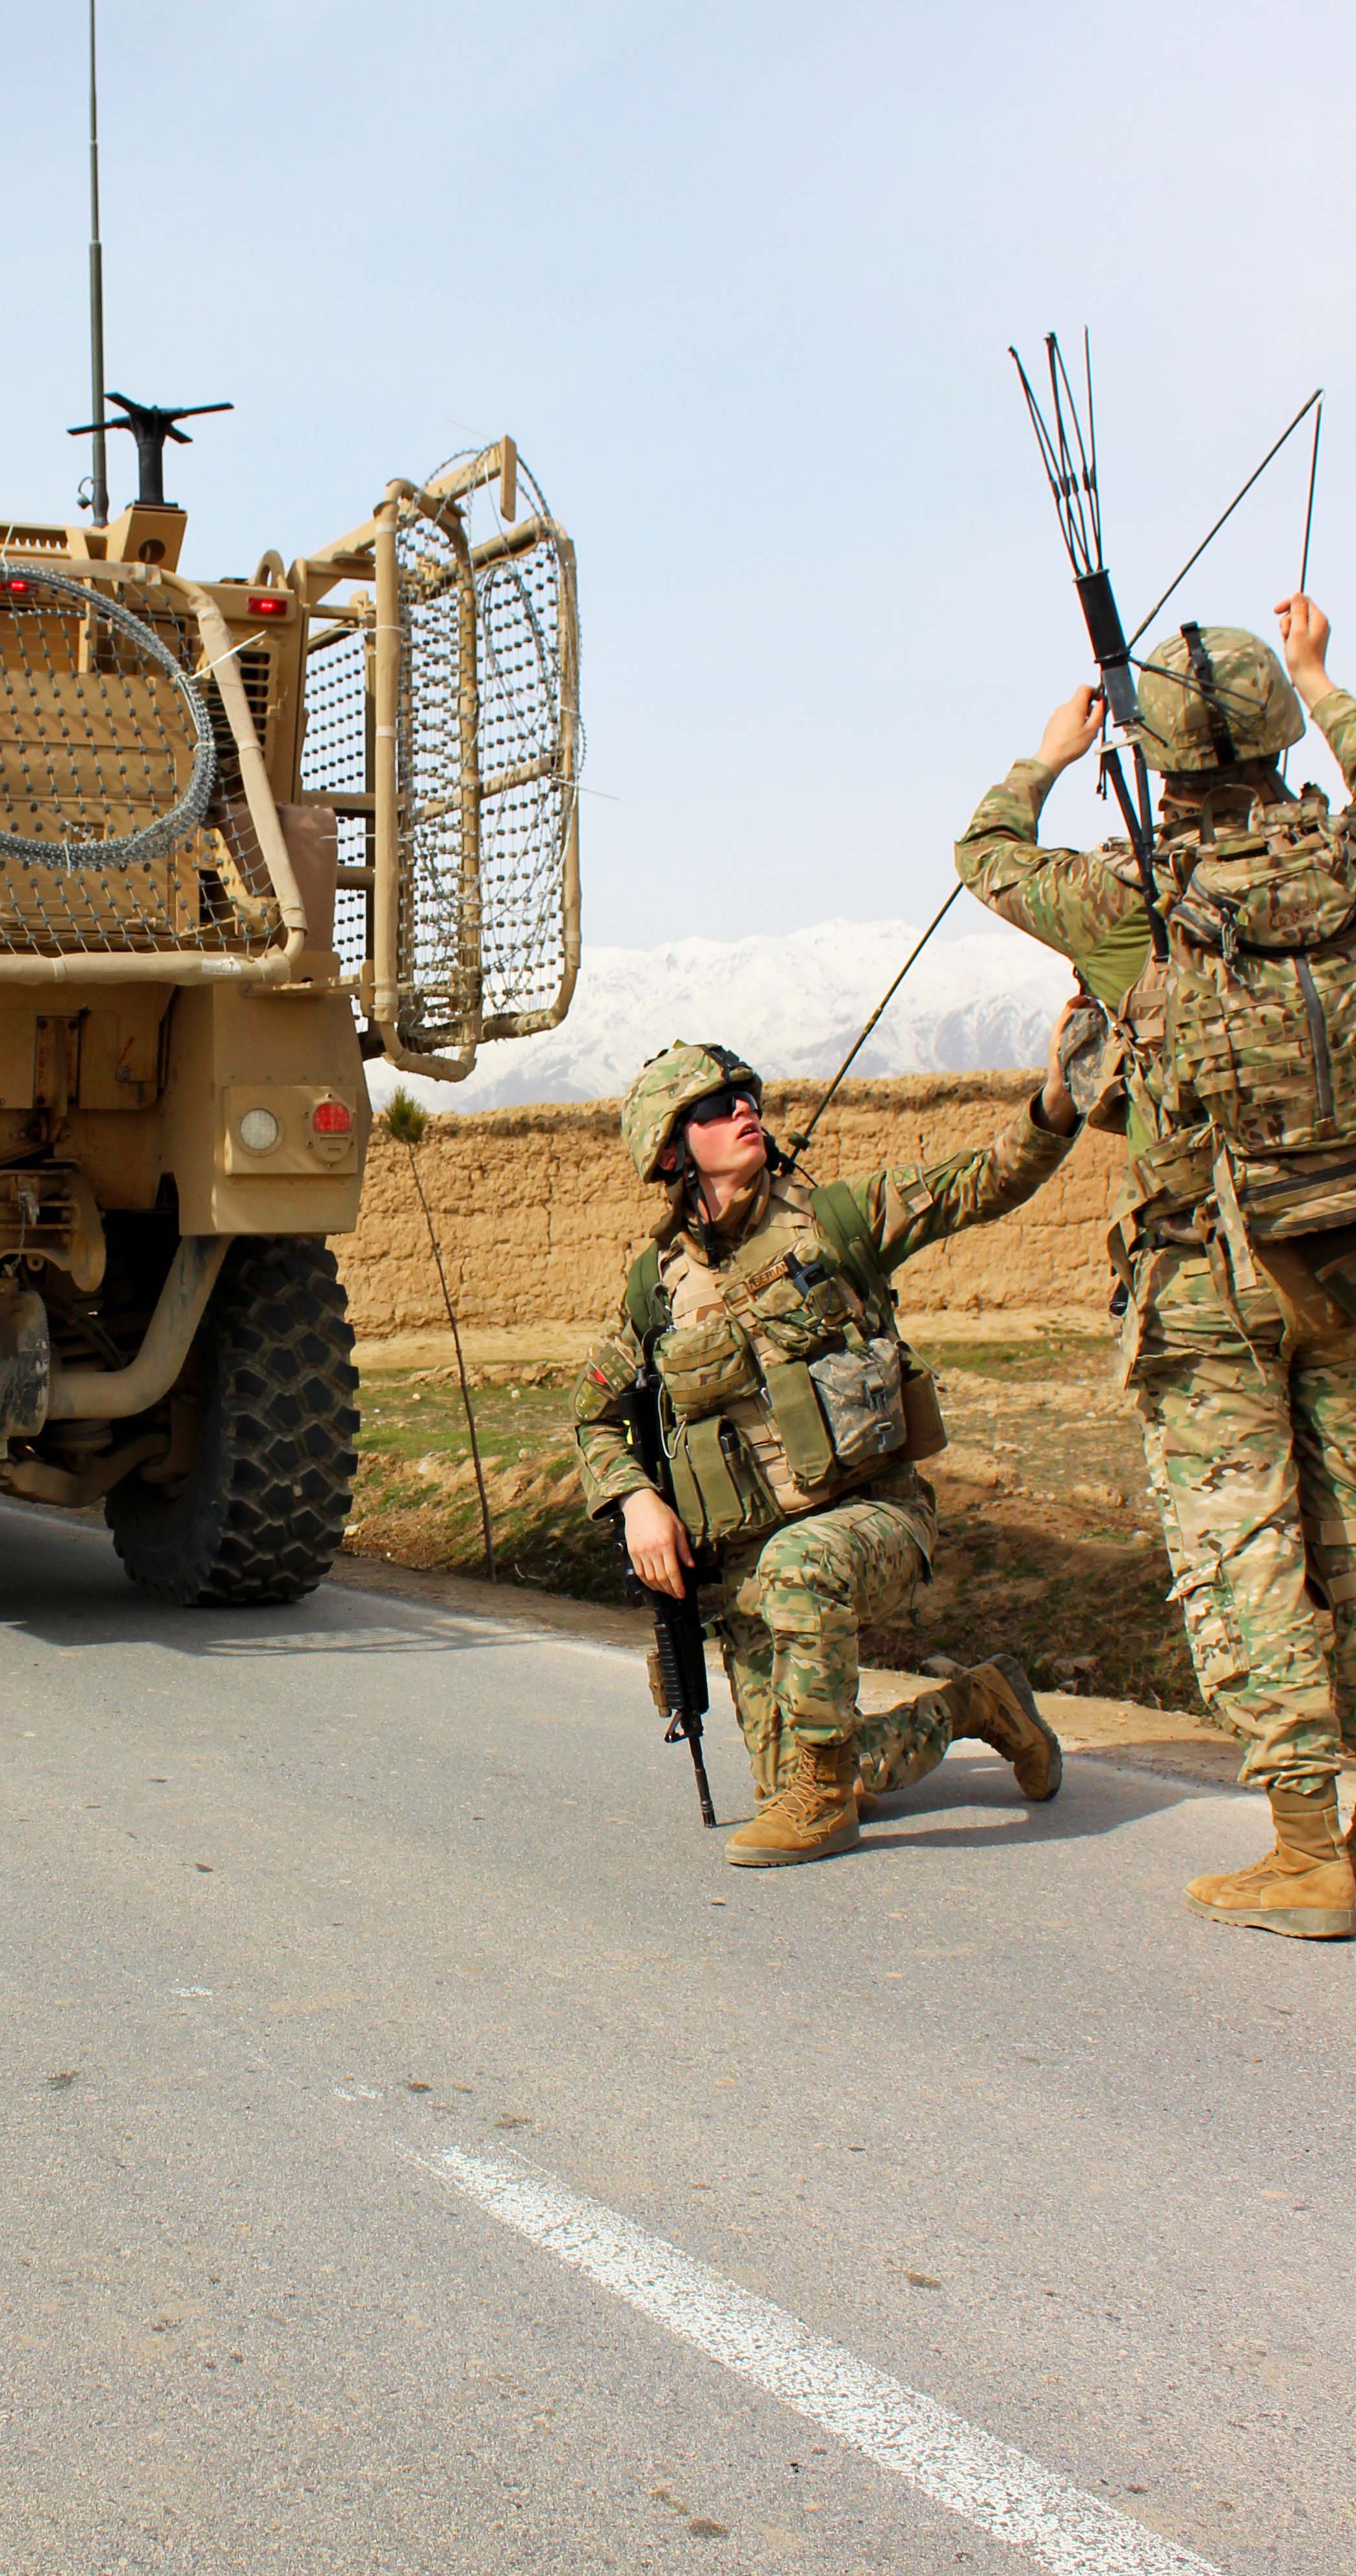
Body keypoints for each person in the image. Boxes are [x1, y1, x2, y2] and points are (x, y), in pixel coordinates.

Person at [955, 593, 1356, 1941]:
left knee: (1243, 1552)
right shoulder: (1349, 869)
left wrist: (1050, 753)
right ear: (1282, 731)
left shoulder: (1124, 899)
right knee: (1352, 1546)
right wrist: (1323, 677)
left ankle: (1309, 1851)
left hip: (1207, 1280)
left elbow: (983, 852)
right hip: (1346, 1256)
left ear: (1164, 758)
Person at [576, 1034, 1082, 1866]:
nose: (744, 1110)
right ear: (671, 1148)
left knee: (800, 1571)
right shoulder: (657, 1290)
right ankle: (981, 1704)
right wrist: (638, 1501)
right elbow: (593, 1417)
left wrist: (1054, 1108)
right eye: (714, 1105)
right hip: (748, 1565)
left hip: (875, 1515)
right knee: (820, 1768)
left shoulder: (837, 1221)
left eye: (748, 1097)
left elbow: (978, 1184)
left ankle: (823, 1809)